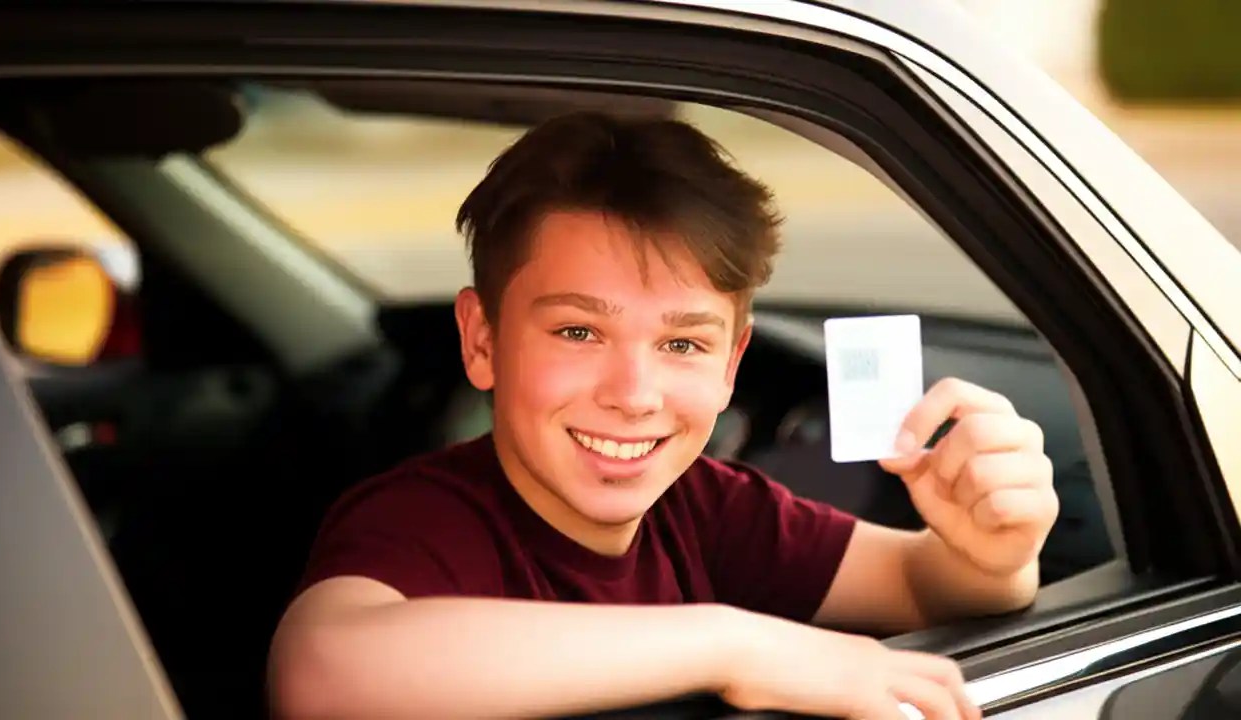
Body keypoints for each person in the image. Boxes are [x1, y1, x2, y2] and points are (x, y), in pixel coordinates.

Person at [268, 112, 1058, 720]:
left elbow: (923, 587)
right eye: (579, 332)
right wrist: (733, 645)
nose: (634, 391)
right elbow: (322, 672)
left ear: (731, 367)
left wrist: (995, 553)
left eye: (682, 343)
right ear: (482, 341)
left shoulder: (706, 507)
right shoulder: (425, 520)